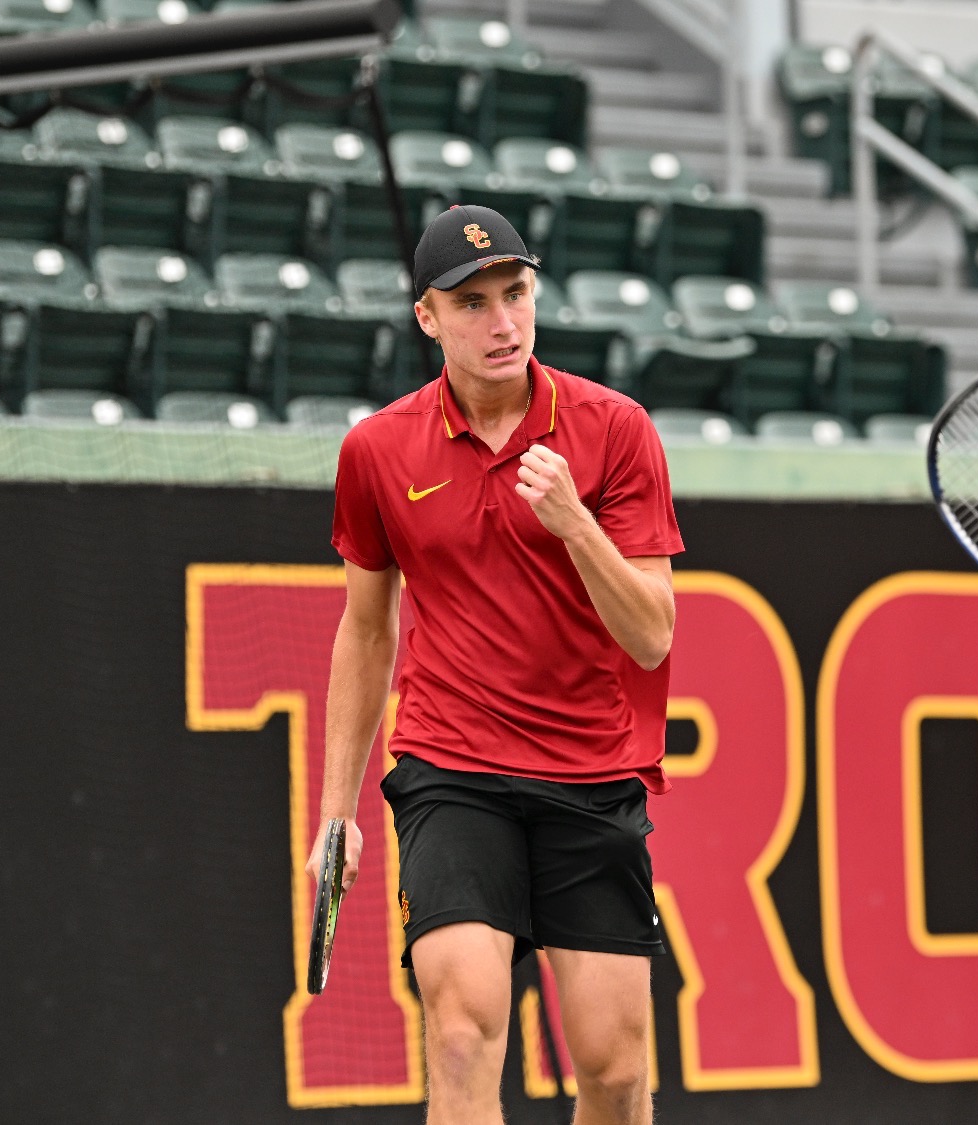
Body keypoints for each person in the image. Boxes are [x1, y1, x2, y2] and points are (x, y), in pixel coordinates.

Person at [311, 204, 681, 1125]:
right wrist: (336, 814)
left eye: (515, 293)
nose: (502, 322)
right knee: (465, 1031)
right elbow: (365, 631)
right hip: (452, 771)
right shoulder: (377, 450)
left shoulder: (615, 428)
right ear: (427, 318)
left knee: (617, 1069)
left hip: (592, 776)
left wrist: (576, 525)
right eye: (471, 303)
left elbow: (652, 636)